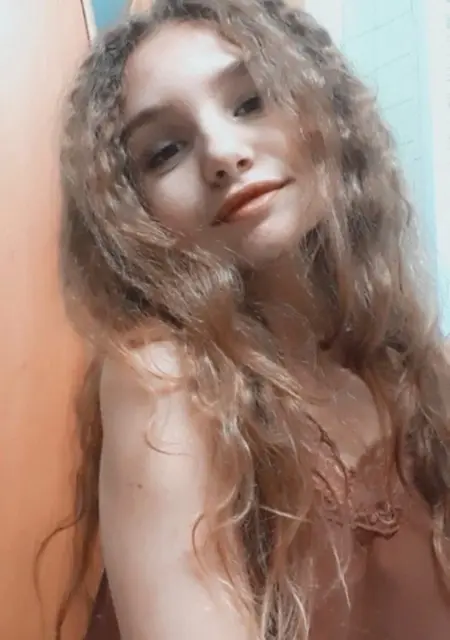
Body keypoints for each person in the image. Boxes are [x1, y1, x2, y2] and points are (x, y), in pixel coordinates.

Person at [57, 1, 450, 638]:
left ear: (326, 111)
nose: (222, 152)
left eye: (252, 101)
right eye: (165, 151)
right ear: (135, 212)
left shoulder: (413, 373)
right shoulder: (166, 380)